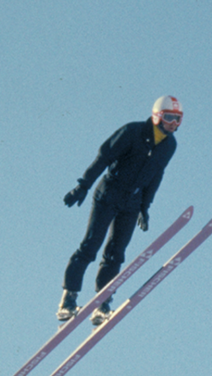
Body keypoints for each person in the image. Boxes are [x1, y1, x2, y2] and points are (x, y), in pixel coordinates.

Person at [58, 95, 183, 324]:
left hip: (132, 202)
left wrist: (145, 207)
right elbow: (104, 156)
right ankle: (68, 298)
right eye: (169, 117)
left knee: (116, 254)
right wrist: (83, 186)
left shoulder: (169, 146)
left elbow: (156, 176)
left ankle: (102, 303)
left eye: (178, 120)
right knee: (90, 246)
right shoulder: (132, 132)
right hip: (109, 194)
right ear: (157, 116)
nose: (173, 124)